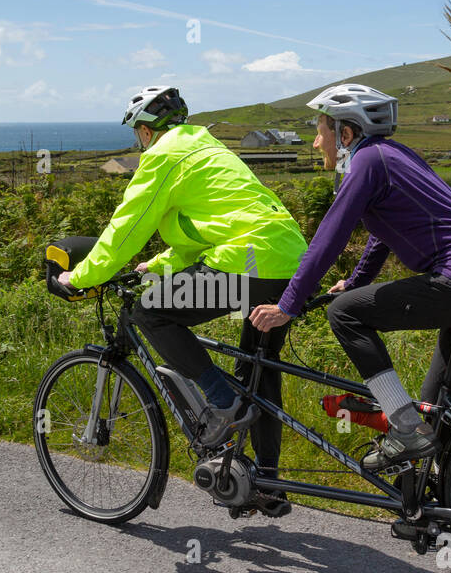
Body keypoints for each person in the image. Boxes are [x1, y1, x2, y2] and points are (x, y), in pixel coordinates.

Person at [249, 83, 451, 471]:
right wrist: (356, 281)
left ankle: (403, 428)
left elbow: (328, 240)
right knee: (439, 412)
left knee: (345, 314)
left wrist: (288, 304)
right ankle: (433, 512)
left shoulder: (365, 162)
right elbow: (383, 231)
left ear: (345, 134)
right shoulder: (393, 155)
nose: (316, 144)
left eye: (321, 132)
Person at [60, 86, 307, 510]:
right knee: (257, 372)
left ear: (144, 131)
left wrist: (81, 276)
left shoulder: (162, 155)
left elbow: (126, 228)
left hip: (245, 266)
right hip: (287, 266)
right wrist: (156, 266)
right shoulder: (206, 148)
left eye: (138, 135)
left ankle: (220, 399)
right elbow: (207, 229)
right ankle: (266, 481)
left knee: (150, 312)